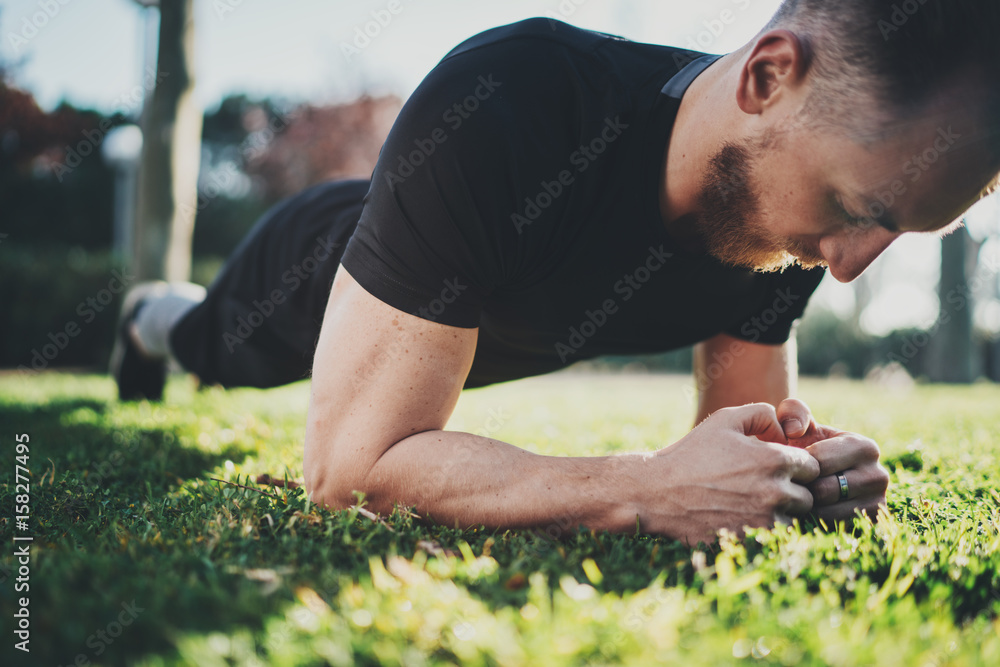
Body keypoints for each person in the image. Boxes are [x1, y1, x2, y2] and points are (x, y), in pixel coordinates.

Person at [112, 0, 1000, 545]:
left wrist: (800, 474)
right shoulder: (510, 99)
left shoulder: (785, 220)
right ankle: (150, 316)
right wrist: (644, 487)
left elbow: (739, 434)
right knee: (208, 345)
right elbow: (351, 471)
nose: (847, 267)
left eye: (892, 232)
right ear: (770, 76)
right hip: (309, 277)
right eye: (856, 210)